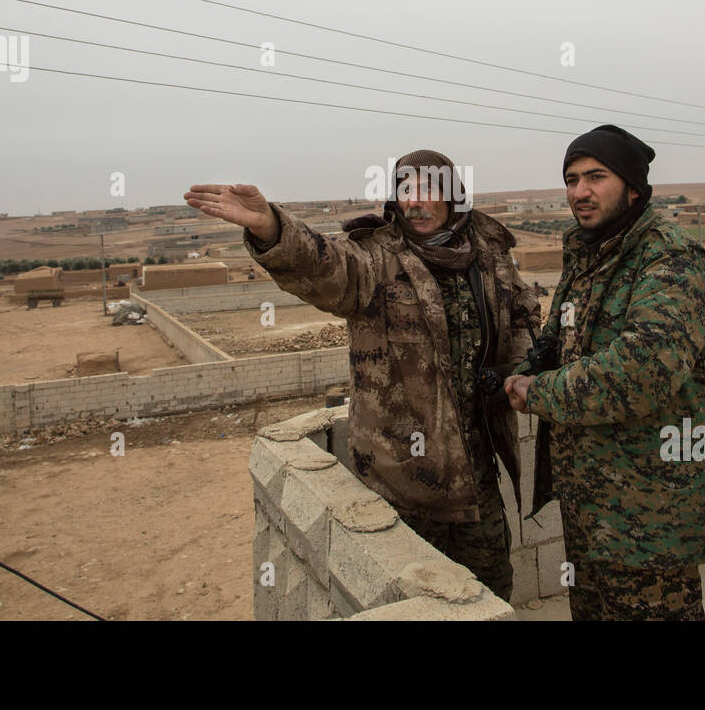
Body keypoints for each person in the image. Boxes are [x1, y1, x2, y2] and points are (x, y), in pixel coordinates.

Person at [185, 150, 540, 602]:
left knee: (490, 594)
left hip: (477, 478)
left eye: (429, 190)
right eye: (406, 191)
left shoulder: (489, 255)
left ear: (453, 196)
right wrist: (271, 228)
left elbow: (522, 314)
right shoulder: (374, 259)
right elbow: (325, 266)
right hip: (403, 483)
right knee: (412, 604)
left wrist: (520, 372)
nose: (416, 202)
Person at [504, 125, 705, 620]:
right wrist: (522, 372)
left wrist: (537, 391)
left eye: (595, 177)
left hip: (651, 515)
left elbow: (641, 373)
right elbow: (557, 342)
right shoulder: (590, 256)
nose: (579, 192)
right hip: (592, 506)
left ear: (632, 187)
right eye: (571, 179)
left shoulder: (669, 259)